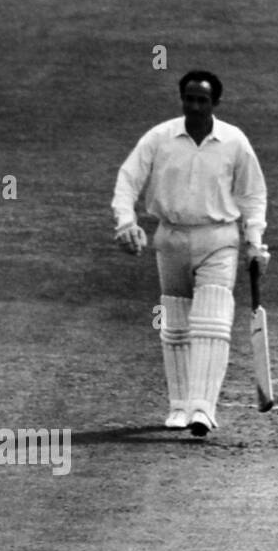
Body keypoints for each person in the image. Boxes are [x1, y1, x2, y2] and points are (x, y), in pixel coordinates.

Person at [112, 71, 269, 436]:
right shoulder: (160, 138)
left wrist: (255, 243)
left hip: (218, 239)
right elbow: (127, 179)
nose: (195, 106)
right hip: (170, 238)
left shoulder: (234, 142)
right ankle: (180, 407)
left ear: (215, 103)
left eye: (203, 100)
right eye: (189, 99)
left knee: (212, 324)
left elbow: (252, 196)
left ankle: (203, 408)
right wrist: (125, 223)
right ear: (182, 99)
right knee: (177, 326)